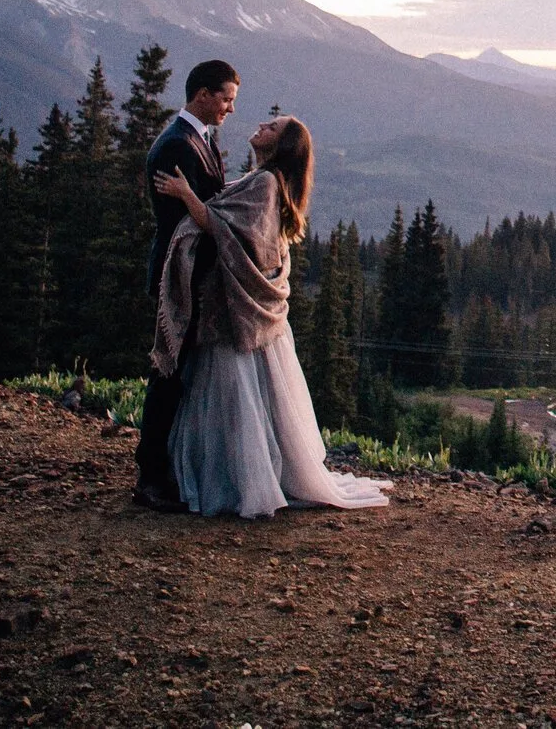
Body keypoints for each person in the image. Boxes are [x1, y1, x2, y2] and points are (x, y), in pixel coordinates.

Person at [151, 114, 391, 518]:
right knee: (251, 403)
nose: (263, 125)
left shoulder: (264, 183)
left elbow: (222, 229)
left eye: (273, 127)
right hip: (239, 312)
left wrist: (184, 193)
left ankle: (236, 483)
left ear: (282, 147)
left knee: (236, 401)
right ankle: (233, 477)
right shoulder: (262, 178)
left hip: (236, 314)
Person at [133, 58, 237, 510]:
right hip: (178, 276)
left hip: (192, 275)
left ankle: (170, 467)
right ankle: (152, 476)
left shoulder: (199, 139)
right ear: (203, 95)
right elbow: (195, 219)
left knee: (179, 373)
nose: (230, 109)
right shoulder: (177, 146)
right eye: (227, 99)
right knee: (168, 373)